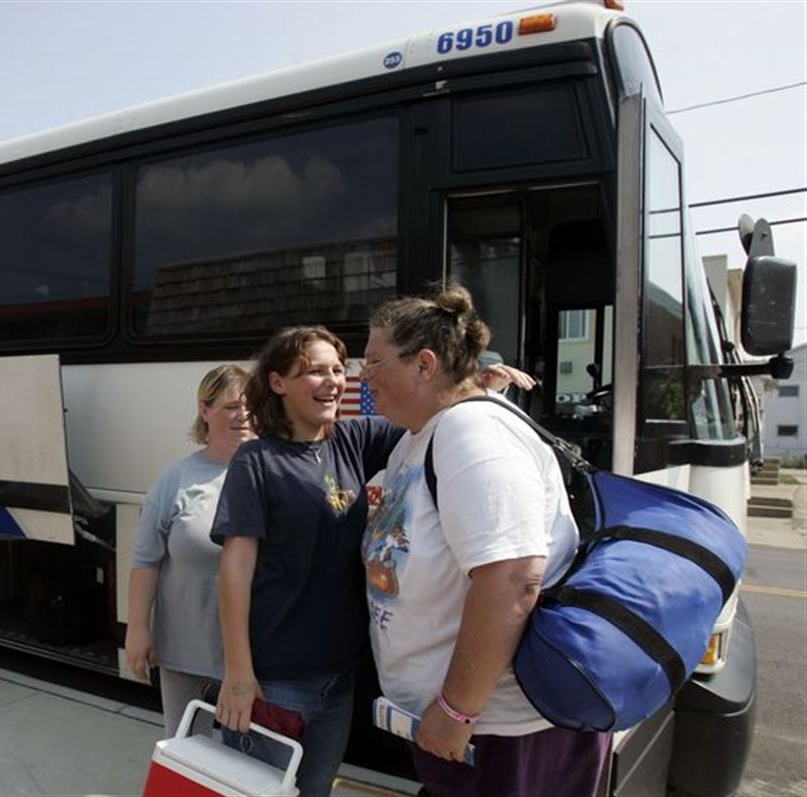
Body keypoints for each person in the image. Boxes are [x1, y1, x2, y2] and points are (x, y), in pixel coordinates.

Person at [360, 286, 608, 797]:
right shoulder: (421, 435)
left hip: (501, 732)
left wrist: (456, 709)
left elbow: (513, 577)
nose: (364, 377)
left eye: (375, 362)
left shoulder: (473, 435)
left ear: (424, 365)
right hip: (468, 730)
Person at [211, 326, 407, 796]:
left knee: (315, 792)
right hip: (276, 679)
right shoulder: (255, 461)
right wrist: (239, 673)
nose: (333, 381)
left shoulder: (353, 440)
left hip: (340, 675)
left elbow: (426, 413)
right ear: (278, 382)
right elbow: (235, 570)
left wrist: (476, 387)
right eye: (315, 371)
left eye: (338, 370)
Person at [125, 364, 253, 737]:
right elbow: (146, 561)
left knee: (246, 766)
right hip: (186, 653)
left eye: (251, 405)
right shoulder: (175, 479)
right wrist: (137, 628)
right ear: (205, 410)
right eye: (231, 406)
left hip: (255, 658)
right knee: (187, 755)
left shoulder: (269, 473)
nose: (243, 415)